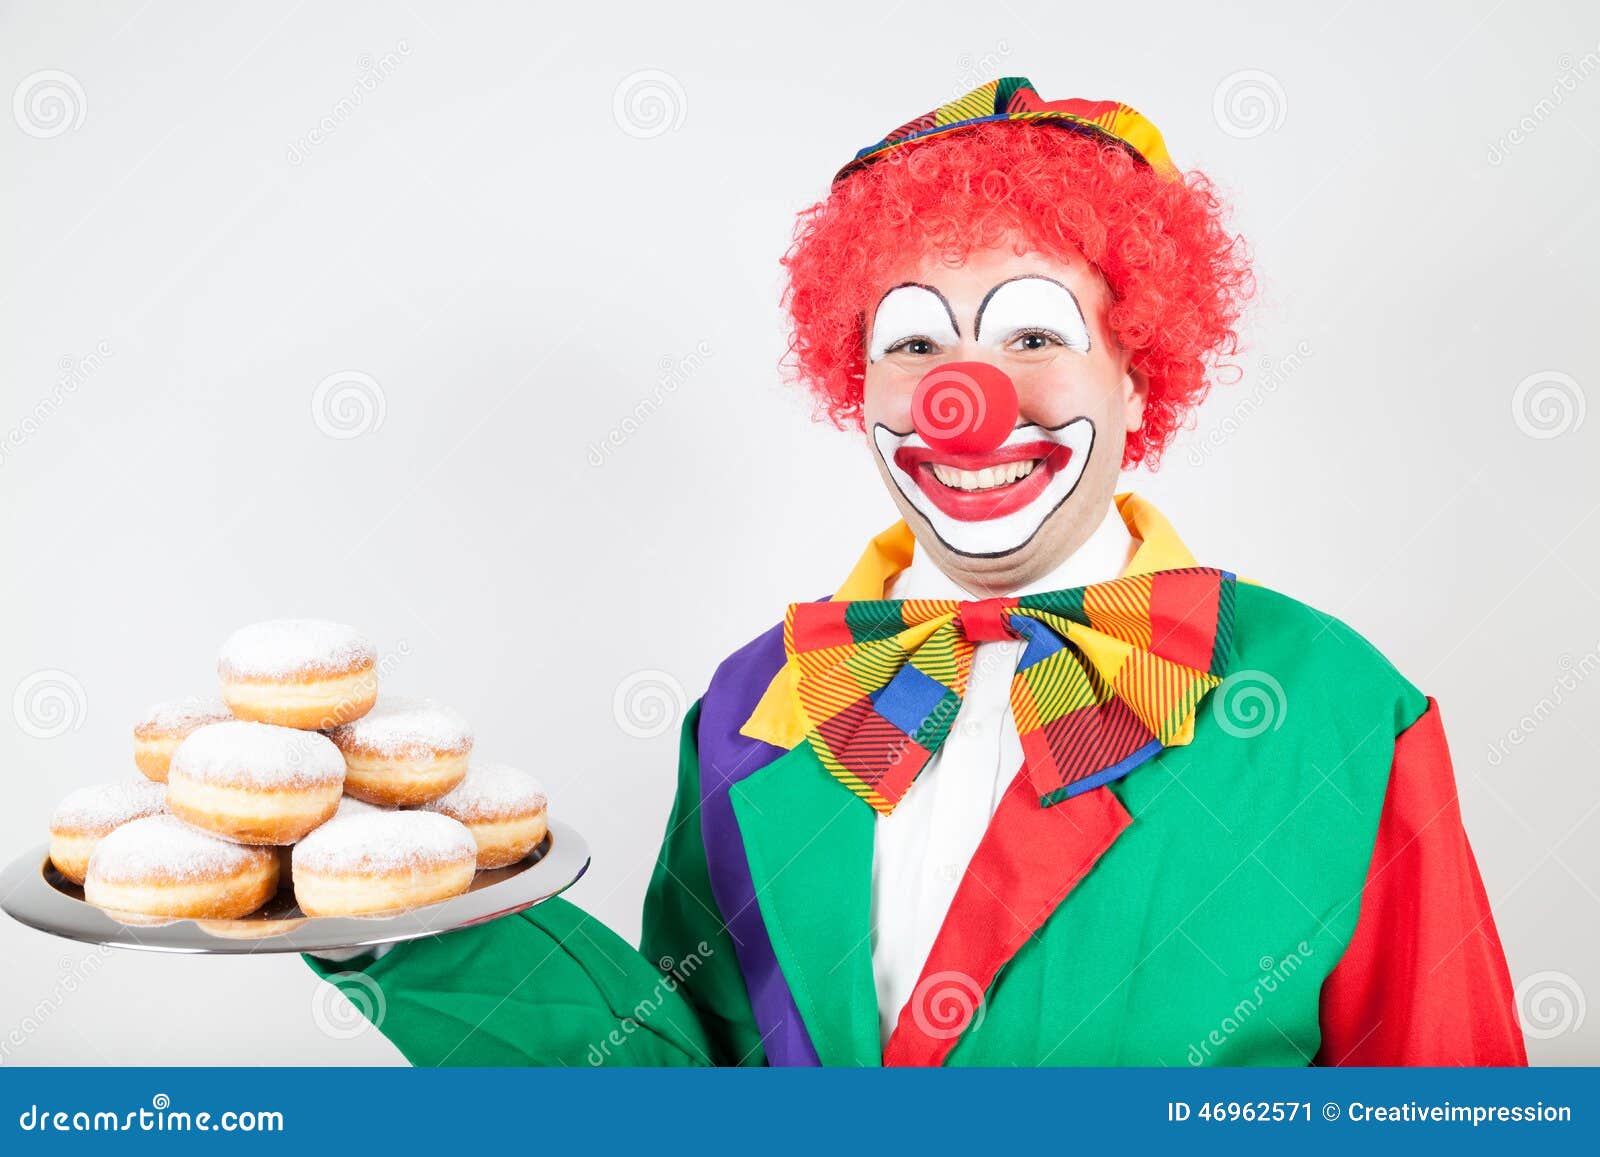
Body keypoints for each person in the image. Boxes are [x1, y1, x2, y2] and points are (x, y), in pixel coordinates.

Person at [309, 78, 1526, 1067]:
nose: (967, 400)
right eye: (914, 343)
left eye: (1034, 335)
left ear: (1140, 375)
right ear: (862, 387)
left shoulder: (1331, 706)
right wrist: (402, 921)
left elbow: (1451, 1095)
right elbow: (673, 1093)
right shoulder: (758, 705)